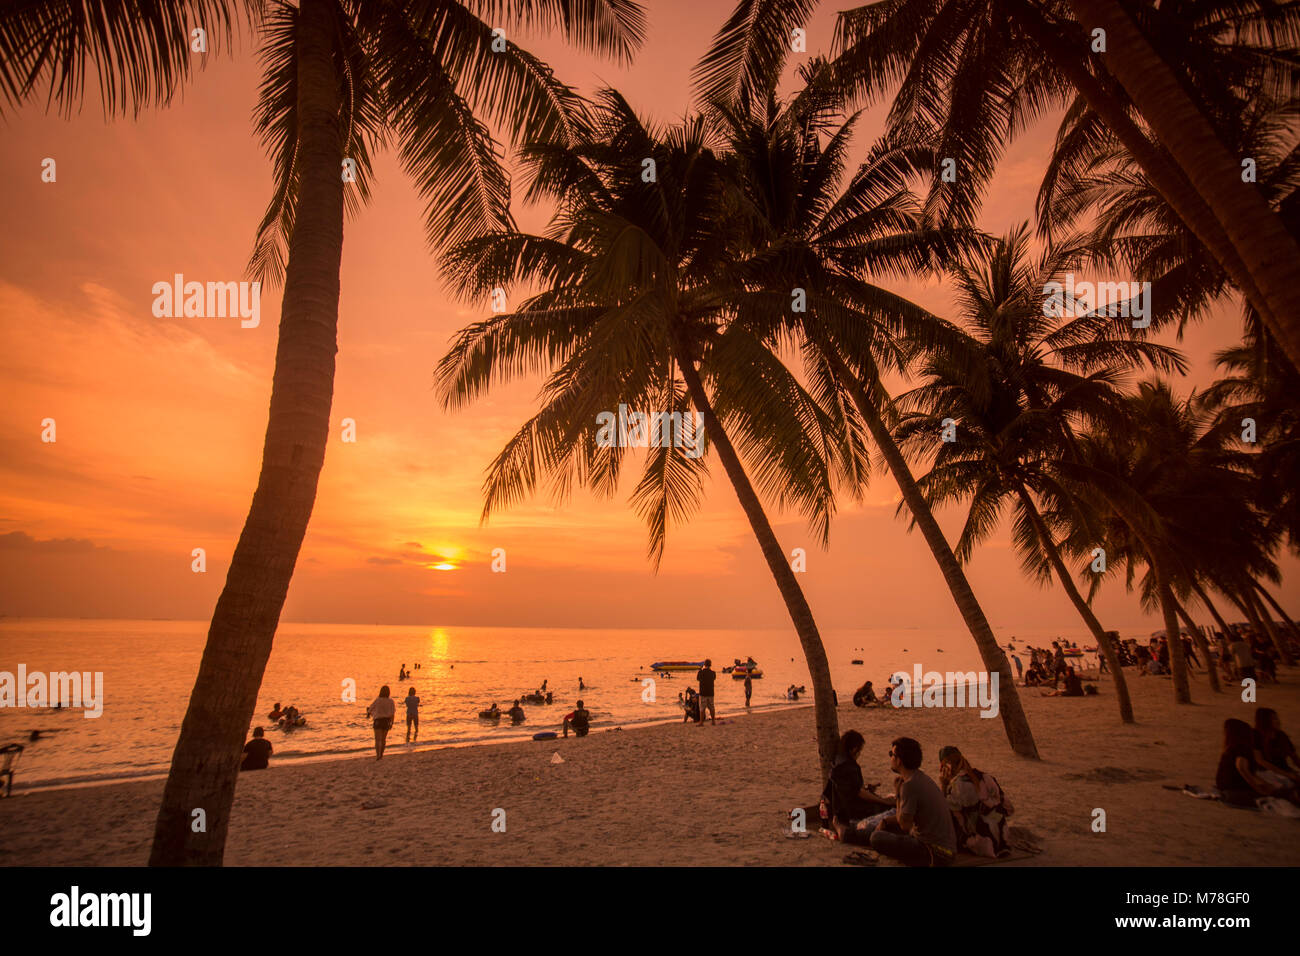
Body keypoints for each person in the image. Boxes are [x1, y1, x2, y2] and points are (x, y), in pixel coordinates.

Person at [867, 737, 957, 867]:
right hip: (945, 849)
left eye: (891, 754)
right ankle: (851, 832)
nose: (890, 757)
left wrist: (898, 794)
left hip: (933, 853)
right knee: (884, 828)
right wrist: (886, 821)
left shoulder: (910, 785)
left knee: (876, 838)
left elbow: (904, 824)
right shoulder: (920, 777)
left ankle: (849, 833)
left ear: (899, 760)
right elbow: (905, 817)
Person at [938, 746, 1012, 857]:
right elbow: (1008, 809)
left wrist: (944, 786)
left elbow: (942, 812)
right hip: (1003, 839)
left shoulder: (957, 785)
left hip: (982, 842)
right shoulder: (986, 776)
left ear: (944, 767)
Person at [822, 730, 893, 842]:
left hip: (838, 808)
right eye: (859, 750)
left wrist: (867, 789)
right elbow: (859, 793)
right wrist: (883, 801)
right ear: (854, 749)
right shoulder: (849, 766)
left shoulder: (837, 761)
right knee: (888, 810)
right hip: (849, 811)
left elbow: (849, 788)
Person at [1217, 718, 1293, 806]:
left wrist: (1265, 784)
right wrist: (1258, 788)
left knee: (1273, 788)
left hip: (1224, 786)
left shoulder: (1229, 749)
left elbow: (1250, 773)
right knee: (1279, 794)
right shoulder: (1242, 748)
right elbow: (1242, 768)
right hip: (1235, 788)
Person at [1254, 708, 1300, 784]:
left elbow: (1294, 757)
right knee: (1289, 784)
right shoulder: (1256, 735)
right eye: (1274, 719)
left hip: (1284, 770)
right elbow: (1260, 761)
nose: (1278, 721)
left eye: (1277, 718)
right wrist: (1288, 775)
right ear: (1265, 721)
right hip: (1266, 772)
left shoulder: (1281, 735)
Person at [366, 685, 396, 759]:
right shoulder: (391, 701)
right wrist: (392, 722)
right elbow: (392, 713)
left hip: (378, 720)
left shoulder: (378, 700)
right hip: (386, 721)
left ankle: (378, 755)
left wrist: (370, 714)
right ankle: (381, 754)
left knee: (377, 740)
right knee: (383, 739)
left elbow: (370, 709)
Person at [696, 659, 717, 726]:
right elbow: (714, 678)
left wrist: (700, 670)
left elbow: (698, 679)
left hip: (703, 692)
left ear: (704, 665)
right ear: (710, 665)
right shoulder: (713, 673)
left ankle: (701, 722)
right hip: (711, 692)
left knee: (702, 708)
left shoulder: (701, 672)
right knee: (711, 707)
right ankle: (713, 721)